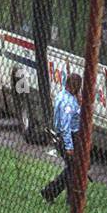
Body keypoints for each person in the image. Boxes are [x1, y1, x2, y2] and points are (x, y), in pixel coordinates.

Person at [41, 72, 82, 204]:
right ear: (75, 86)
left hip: (66, 137)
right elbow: (66, 127)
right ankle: (51, 191)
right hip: (69, 138)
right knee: (74, 169)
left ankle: (69, 198)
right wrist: (69, 146)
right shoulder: (68, 103)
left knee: (74, 169)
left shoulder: (62, 95)